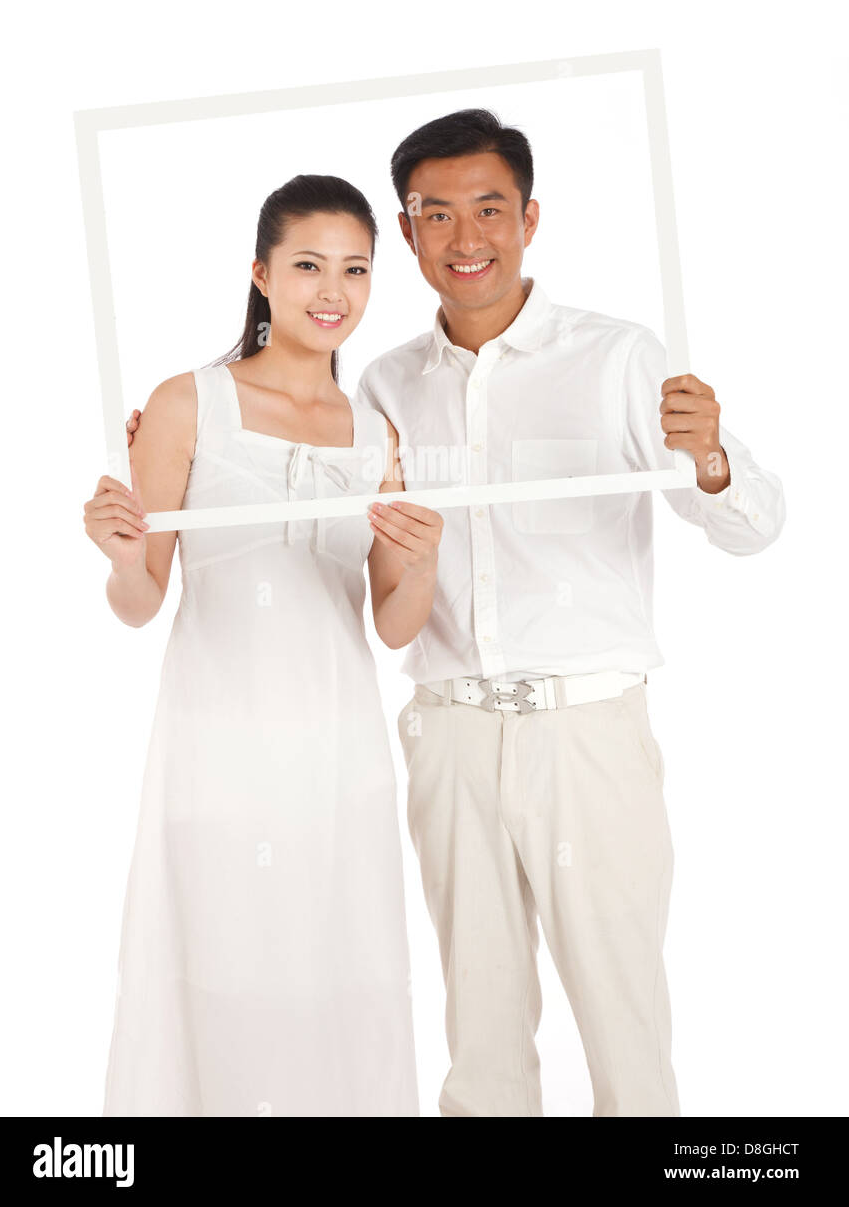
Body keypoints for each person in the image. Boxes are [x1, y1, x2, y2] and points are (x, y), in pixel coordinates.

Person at [350, 108, 787, 1118]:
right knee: (480, 1033)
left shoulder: (619, 357)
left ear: (529, 218)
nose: (466, 239)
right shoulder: (383, 385)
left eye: (489, 209)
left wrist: (710, 458)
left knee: (622, 1021)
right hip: (448, 732)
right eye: (437, 215)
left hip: (587, 734)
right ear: (407, 232)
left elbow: (749, 527)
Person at [85, 174, 442, 1117]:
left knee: (336, 975)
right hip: (219, 747)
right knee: (227, 968)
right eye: (309, 266)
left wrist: (425, 562)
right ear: (262, 274)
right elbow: (141, 600)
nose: (335, 291)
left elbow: (391, 622)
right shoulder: (185, 403)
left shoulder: (376, 431)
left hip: (338, 753)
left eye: (357, 269)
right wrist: (124, 557)